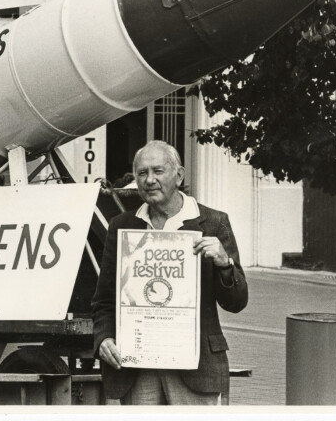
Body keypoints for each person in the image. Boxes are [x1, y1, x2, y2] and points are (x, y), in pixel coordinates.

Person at [91, 140, 249, 405]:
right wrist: (104, 338)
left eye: (158, 171)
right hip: (138, 368)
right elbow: (104, 300)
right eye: (142, 173)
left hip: (194, 369)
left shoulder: (212, 222)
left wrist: (224, 263)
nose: (149, 180)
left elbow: (236, 302)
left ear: (179, 175)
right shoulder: (121, 227)